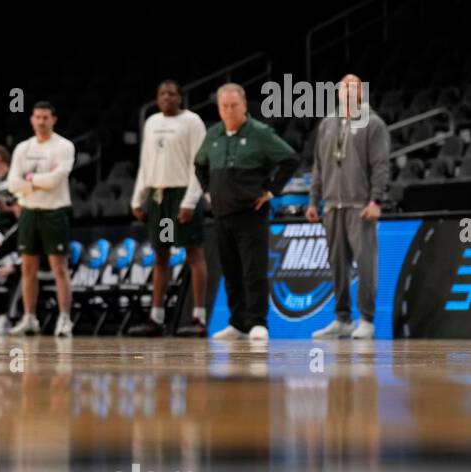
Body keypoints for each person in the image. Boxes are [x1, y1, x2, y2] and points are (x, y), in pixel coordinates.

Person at [194, 83, 300, 343]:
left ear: (244, 106)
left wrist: (272, 191)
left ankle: (257, 323)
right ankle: (237, 323)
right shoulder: (213, 134)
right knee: (231, 272)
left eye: (234, 105)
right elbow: (199, 164)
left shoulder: (260, 133)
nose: (229, 111)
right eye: (224, 106)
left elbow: (290, 160)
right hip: (221, 215)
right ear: (219, 108)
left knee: (253, 271)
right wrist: (208, 191)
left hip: (251, 214)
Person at [308, 74, 390, 340]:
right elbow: (319, 165)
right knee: (337, 265)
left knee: (366, 264)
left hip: (359, 205)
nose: (348, 90)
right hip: (332, 206)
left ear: (361, 93)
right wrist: (313, 200)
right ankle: (342, 319)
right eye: (343, 86)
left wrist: (375, 200)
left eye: (353, 86)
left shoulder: (373, 123)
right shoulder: (327, 123)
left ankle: (366, 319)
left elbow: (380, 165)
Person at [127, 81, 210, 337]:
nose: (166, 97)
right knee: (161, 255)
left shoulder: (193, 121)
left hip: (182, 194)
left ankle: (199, 317)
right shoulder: (151, 122)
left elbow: (200, 163)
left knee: (193, 254)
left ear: (180, 98)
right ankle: (157, 317)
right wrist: (138, 198)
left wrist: (190, 201)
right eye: (162, 93)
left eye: (172, 93)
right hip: (158, 196)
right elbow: (146, 162)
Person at [6, 102, 76, 337]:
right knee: (28, 268)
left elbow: (56, 181)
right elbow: (12, 184)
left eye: (46, 117)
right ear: (32, 120)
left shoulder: (64, 146)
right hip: (29, 212)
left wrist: (29, 180)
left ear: (53, 120)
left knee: (60, 268)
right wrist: (37, 181)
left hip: (55, 211)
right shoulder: (22, 148)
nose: (41, 121)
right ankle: (29, 318)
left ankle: (65, 319)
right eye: (38, 117)